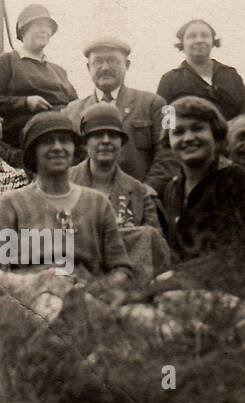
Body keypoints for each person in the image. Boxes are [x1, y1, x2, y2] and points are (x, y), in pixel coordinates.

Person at [0, 112, 132, 314]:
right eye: (47, 142)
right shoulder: (11, 203)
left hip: (86, 297)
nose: (57, 147)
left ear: (73, 148)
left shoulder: (98, 202)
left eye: (64, 141)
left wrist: (91, 289)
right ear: (33, 151)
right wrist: (39, 282)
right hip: (29, 300)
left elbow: (121, 269)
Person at [69, 102, 170, 283]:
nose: (106, 140)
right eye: (98, 135)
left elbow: (156, 244)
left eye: (113, 135)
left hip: (128, 281)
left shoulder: (139, 191)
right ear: (85, 143)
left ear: (121, 144)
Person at [160, 96, 245, 263]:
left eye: (197, 128)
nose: (188, 138)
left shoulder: (235, 179)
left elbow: (242, 251)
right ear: (168, 141)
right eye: (178, 132)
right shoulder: (172, 188)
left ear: (215, 135)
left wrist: (180, 277)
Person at [66, 36, 165, 181]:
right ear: (88, 67)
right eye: (98, 61)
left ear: (127, 65)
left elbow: (168, 155)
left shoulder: (154, 104)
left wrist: (145, 194)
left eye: (113, 60)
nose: (105, 67)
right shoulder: (71, 112)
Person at [0, 4, 77, 148]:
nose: (44, 30)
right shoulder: (7, 61)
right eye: (38, 25)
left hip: (64, 123)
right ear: (23, 30)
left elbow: (76, 103)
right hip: (29, 128)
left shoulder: (58, 70)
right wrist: (25, 102)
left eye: (48, 26)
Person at [157, 19, 245, 122]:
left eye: (205, 35)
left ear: (213, 41)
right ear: (182, 43)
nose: (199, 40)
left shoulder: (231, 75)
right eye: (192, 36)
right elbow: (165, 122)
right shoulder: (170, 80)